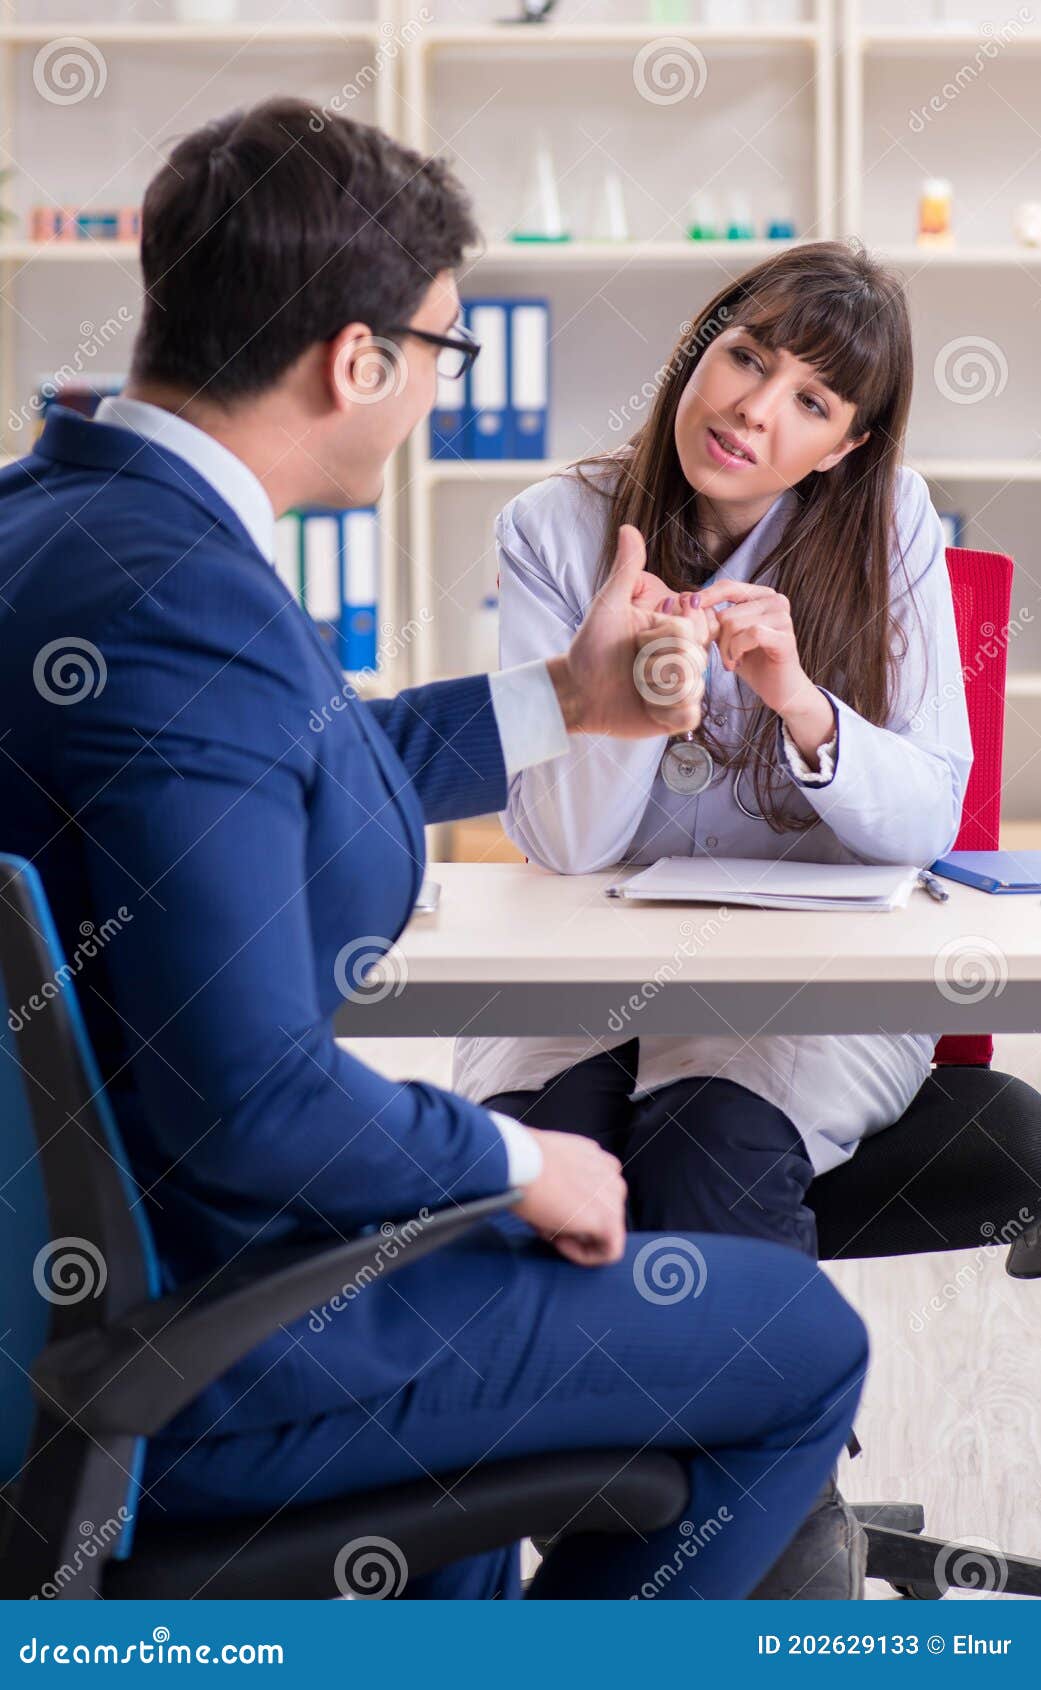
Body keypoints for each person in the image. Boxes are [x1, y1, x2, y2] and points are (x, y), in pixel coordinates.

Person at [0, 100, 867, 1600]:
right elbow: (253, 1105)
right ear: (360, 361)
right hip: (185, 1341)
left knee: (458, 1529)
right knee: (794, 1339)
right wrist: (526, 1159)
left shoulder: (61, 524)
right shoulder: (185, 611)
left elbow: (295, 762)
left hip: (101, 1281)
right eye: (441, 353)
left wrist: (566, 700)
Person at [453, 241, 972, 1595]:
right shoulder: (553, 526)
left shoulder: (888, 525)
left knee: (705, 1150)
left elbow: (927, 808)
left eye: (810, 400)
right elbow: (561, 840)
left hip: (799, 996)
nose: (754, 409)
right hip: (580, 983)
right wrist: (630, 695)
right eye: (745, 356)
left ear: (842, 448)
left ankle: (769, 1568)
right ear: (698, 346)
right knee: (546, 1195)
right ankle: (681, 1580)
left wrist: (802, 703)